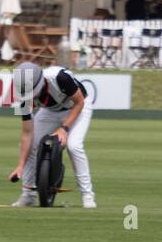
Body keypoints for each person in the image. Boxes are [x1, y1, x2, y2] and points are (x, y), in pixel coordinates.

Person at [9, 61, 96, 209]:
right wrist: (20, 165)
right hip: (50, 111)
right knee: (32, 144)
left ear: (40, 82)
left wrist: (64, 129)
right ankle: (28, 195)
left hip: (77, 107)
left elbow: (79, 102)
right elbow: (27, 132)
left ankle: (87, 195)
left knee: (73, 146)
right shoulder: (22, 97)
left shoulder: (60, 78)